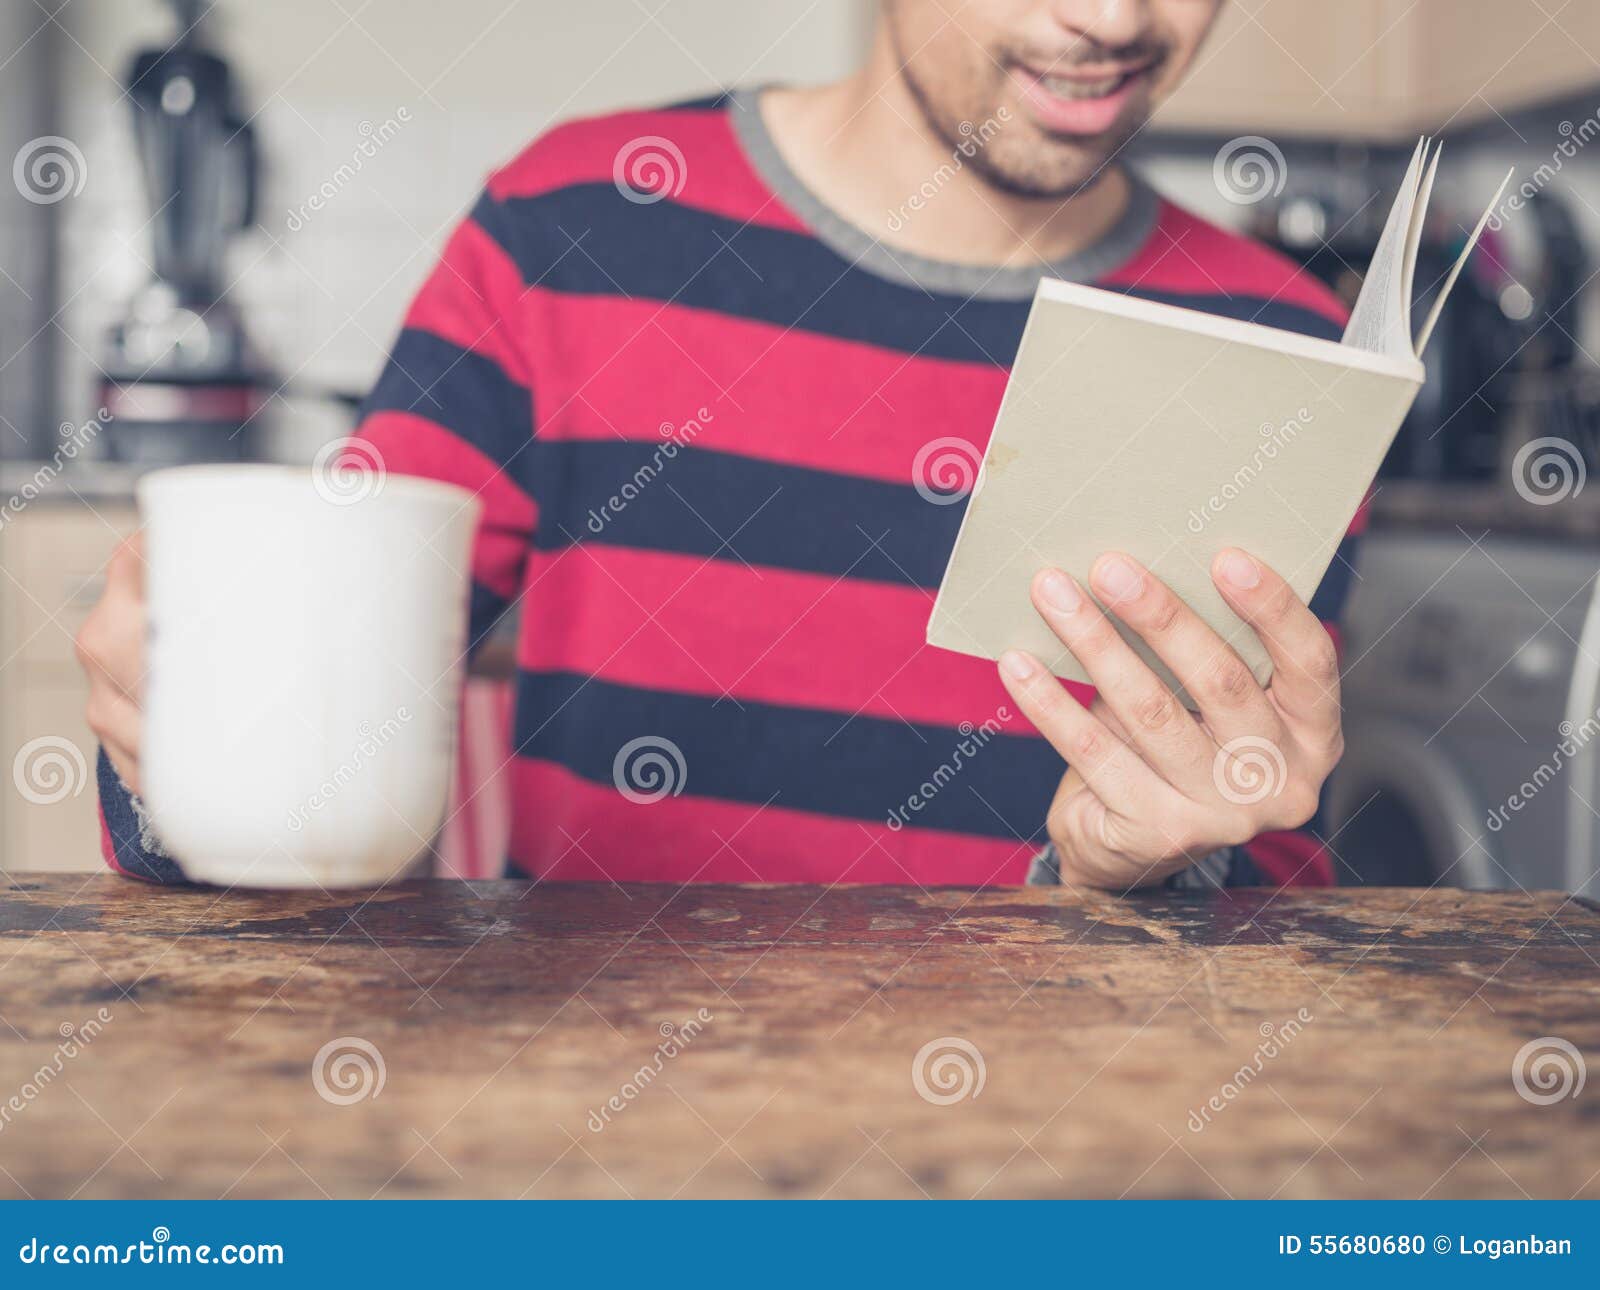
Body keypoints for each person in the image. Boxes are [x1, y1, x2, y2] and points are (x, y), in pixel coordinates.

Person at [79, 0, 1352, 892]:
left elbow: (1277, 878)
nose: (1113, 17)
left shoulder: (1279, 349)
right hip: (592, 1144)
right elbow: (310, 737)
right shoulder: (569, 229)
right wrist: (174, 755)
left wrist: (1150, 870)